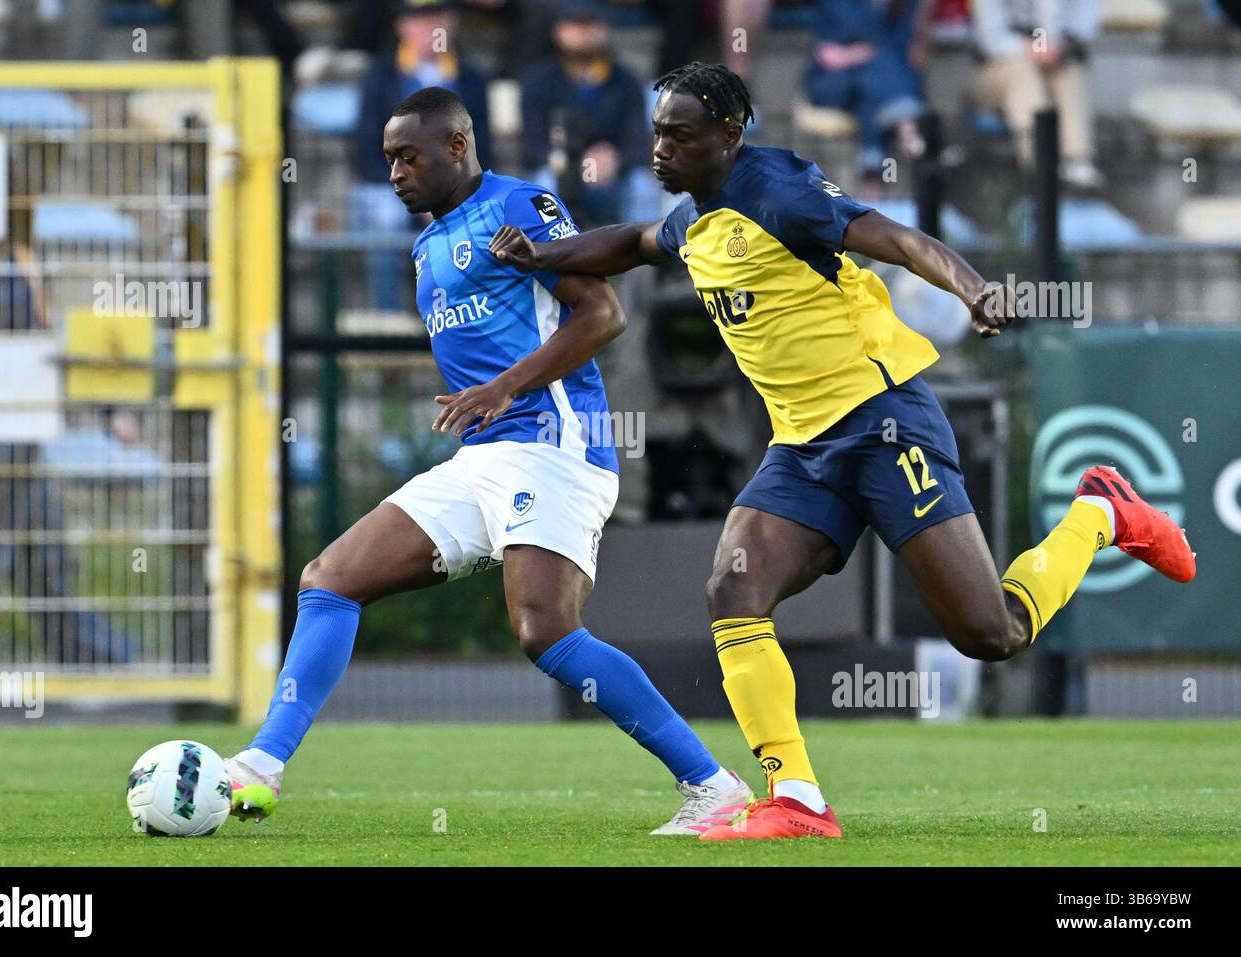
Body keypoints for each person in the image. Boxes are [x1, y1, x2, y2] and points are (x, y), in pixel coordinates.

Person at [490, 62, 1196, 840]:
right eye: (657, 133)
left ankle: (1098, 514)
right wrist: (542, 258)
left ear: (728, 135)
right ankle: (796, 797)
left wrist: (972, 289)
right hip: (802, 445)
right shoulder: (696, 217)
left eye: (679, 135)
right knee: (733, 588)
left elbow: (894, 237)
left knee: (990, 633)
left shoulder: (781, 193)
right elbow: (630, 241)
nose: (660, 148)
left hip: (882, 421)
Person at [224, 86, 752, 836]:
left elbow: (604, 314)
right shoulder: (424, 244)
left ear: (458, 146)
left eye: (409, 156)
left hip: (553, 443)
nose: (397, 172)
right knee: (330, 580)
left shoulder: (521, 206)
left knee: (545, 629)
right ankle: (261, 764)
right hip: (483, 457)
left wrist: (503, 387)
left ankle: (714, 785)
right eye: (387, 160)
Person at [349, 0, 493, 308]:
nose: (428, 30)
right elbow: (365, 152)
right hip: (391, 186)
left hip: (454, 188)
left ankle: (463, 313)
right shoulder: (380, 75)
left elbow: (483, 150)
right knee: (384, 217)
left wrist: (447, 195)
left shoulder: (472, 79)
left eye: (435, 19)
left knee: (479, 215)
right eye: (418, 20)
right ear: (401, 27)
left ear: (451, 23)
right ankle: (387, 319)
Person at [519, 0, 656, 228]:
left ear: (605, 27)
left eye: (591, 23)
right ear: (558, 30)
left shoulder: (626, 81)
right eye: (574, 24)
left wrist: (614, 159)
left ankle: (645, 258)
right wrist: (575, 163)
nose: (584, 32)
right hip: (561, 171)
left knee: (641, 183)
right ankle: (548, 256)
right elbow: (533, 147)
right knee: (544, 184)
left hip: (614, 176)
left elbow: (637, 143)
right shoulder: (538, 82)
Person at [968, 0, 1104, 190]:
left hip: (1047, 64)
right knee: (1023, 71)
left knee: (1067, 71)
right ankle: (1039, 163)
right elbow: (992, 39)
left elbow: (1080, 29)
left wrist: (1054, 47)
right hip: (991, 76)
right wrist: (1034, 49)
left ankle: (1077, 160)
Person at [804, 0, 927, 189]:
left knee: (872, 86)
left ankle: (872, 170)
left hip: (875, 86)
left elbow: (904, 48)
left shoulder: (905, 4)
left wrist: (861, 53)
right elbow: (830, 54)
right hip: (833, 83)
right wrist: (862, 54)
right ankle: (906, 127)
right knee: (881, 77)